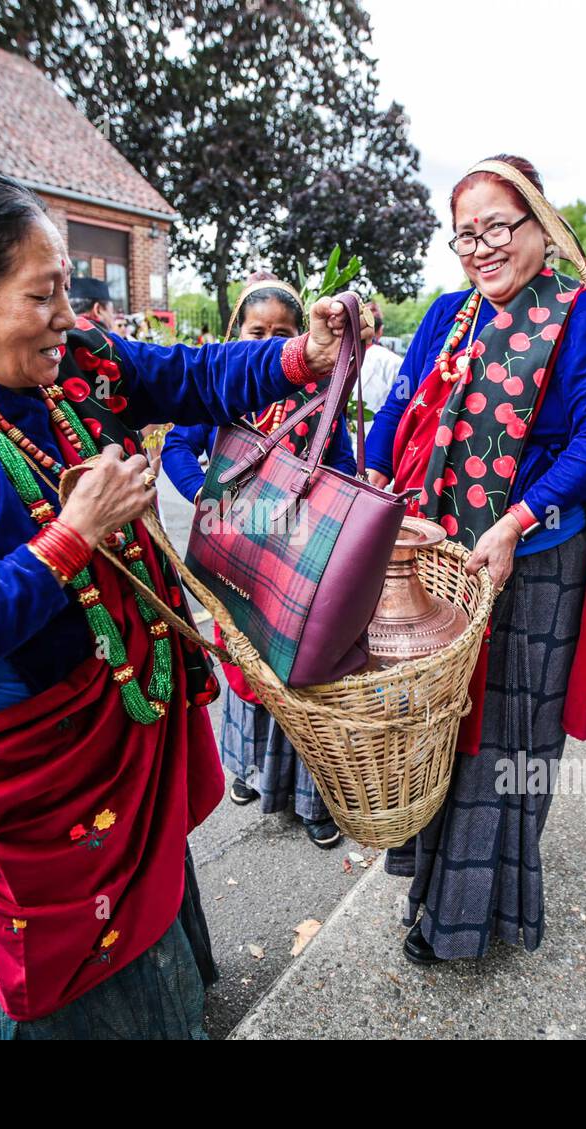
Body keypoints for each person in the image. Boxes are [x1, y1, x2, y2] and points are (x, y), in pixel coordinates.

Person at [0, 167, 357, 1039]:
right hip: (43, 770)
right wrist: (72, 536)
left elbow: (187, 377)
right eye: (44, 295)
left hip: (121, 717)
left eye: (69, 291)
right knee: (83, 969)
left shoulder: (74, 365)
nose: (69, 316)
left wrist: (302, 357)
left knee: (152, 924)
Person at [364, 155, 586, 965]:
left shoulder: (582, 317)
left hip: (534, 558)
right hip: (444, 555)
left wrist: (516, 519)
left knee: (503, 739)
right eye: (465, 234)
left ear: (540, 230)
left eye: (497, 228)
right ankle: (432, 886)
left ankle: (469, 917)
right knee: (445, 724)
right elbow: (401, 406)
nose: (481, 248)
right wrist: (373, 483)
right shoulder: (451, 313)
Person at [161, 274, 356, 848]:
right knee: (246, 659)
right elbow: (176, 445)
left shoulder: (320, 393)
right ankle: (248, 772)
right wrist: (206, 493)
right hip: (235, 547)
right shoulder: (224, 386)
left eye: (283, 331)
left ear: (302, 337)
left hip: (294, 552)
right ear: (235, 333)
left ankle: (309, 795)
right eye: (257, 330)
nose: (269, 340)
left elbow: (340, 457)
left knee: (297, 663)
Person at [358, 300, 403, 415]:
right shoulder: (395, 362)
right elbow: (404, 402)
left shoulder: (329, 362)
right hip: (381, 430)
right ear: (380, 331)